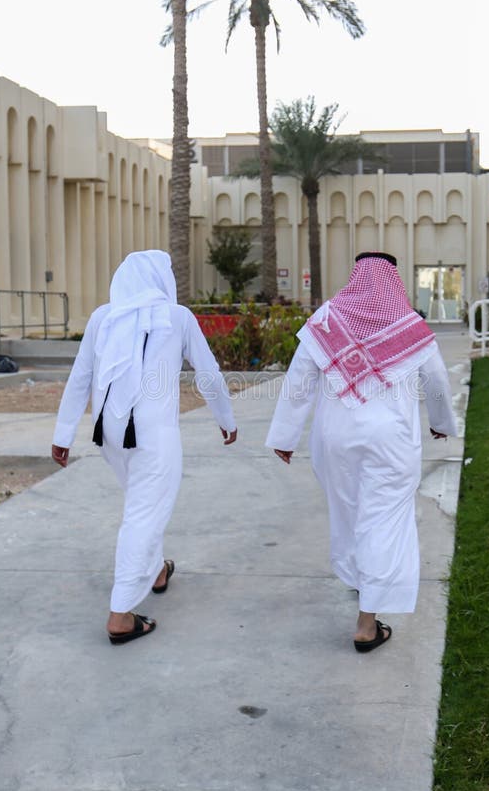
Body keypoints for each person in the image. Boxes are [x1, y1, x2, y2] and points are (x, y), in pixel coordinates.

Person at [265, 252, 457, 653]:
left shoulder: (327, 320)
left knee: (351, 511)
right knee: (383, 519)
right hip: (391, 440)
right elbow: (436, 377)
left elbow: (300, 375)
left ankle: (361, 579)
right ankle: (367, 623)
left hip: (335, 437)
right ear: (394, 279)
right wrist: (441, 421)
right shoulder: (409, 325)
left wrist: (285, 435)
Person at [51, 251, 237, 645]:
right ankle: (121, 614)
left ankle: (156, 571)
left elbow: (80, 376)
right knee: (143, 512)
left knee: (143, 502)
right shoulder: (178, 317)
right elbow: (208, 372)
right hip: (154, 435)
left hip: (109, 433)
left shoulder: (104, 316)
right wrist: (226, 419)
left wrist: (63, 434)